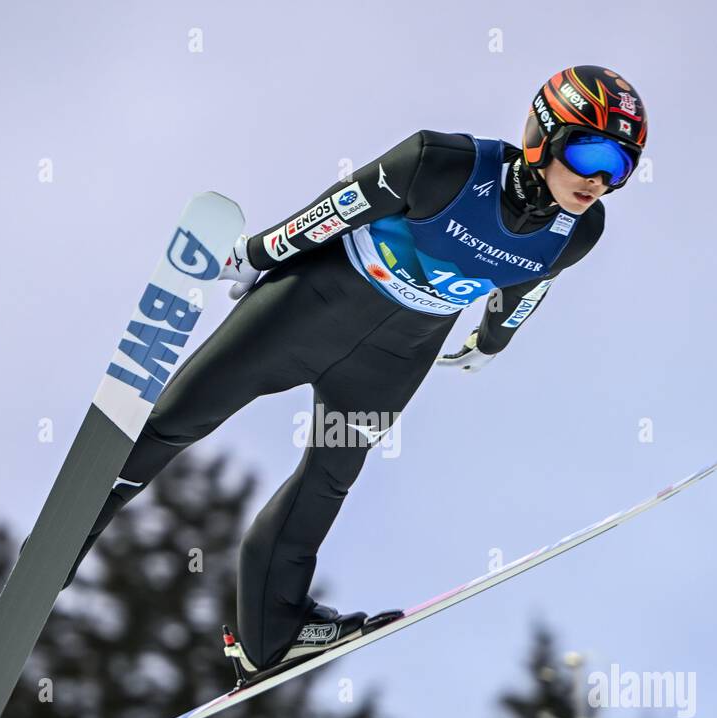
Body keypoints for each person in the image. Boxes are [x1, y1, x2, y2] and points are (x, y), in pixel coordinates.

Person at [63, 65, 648, 675]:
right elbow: (336, 211)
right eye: (591, 151)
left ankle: (269, 634)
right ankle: (68, 536)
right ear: (544, 133)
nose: (600, 180)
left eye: (622, 166)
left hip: (396, 353)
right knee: (180, 418)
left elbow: (529, 283)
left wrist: (493, 340)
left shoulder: (581, 231)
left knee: (328, 478)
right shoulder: (442, 164)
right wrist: (255, 255)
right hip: (316, 304)